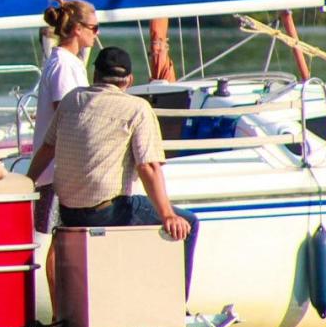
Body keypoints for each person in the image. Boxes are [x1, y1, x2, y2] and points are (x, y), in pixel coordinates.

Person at [25, 45, 197, 288]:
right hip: (106, 211)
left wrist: (28, 181)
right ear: (129, 79)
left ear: (95, 74)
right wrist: (167, 215)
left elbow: (47, 148)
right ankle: (179, 307)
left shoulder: (71, 100)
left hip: (68, 213)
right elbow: (148, 167)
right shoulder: (137, 108)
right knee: (188, 223)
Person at [33, 0, 97, 235]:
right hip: (56, 170)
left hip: (62, 168)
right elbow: (67, 117)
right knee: (55, 238)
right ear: (78, 29)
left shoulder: (71, 62)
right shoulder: (63, 65)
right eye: (94, 28)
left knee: (62, 237)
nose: (96, 35)